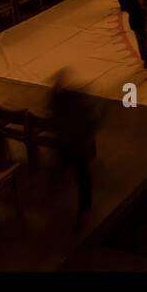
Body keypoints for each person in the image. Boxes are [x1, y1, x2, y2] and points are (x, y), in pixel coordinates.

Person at [49, 71, 102, 223]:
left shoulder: (58, 102)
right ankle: (84, 209)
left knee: (61, 168)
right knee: (84, 178)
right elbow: (91, 122)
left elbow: (53, 101)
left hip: (63, 144)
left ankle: (54, 190)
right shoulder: (78, 109)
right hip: (76, 147)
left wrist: (56, 85)